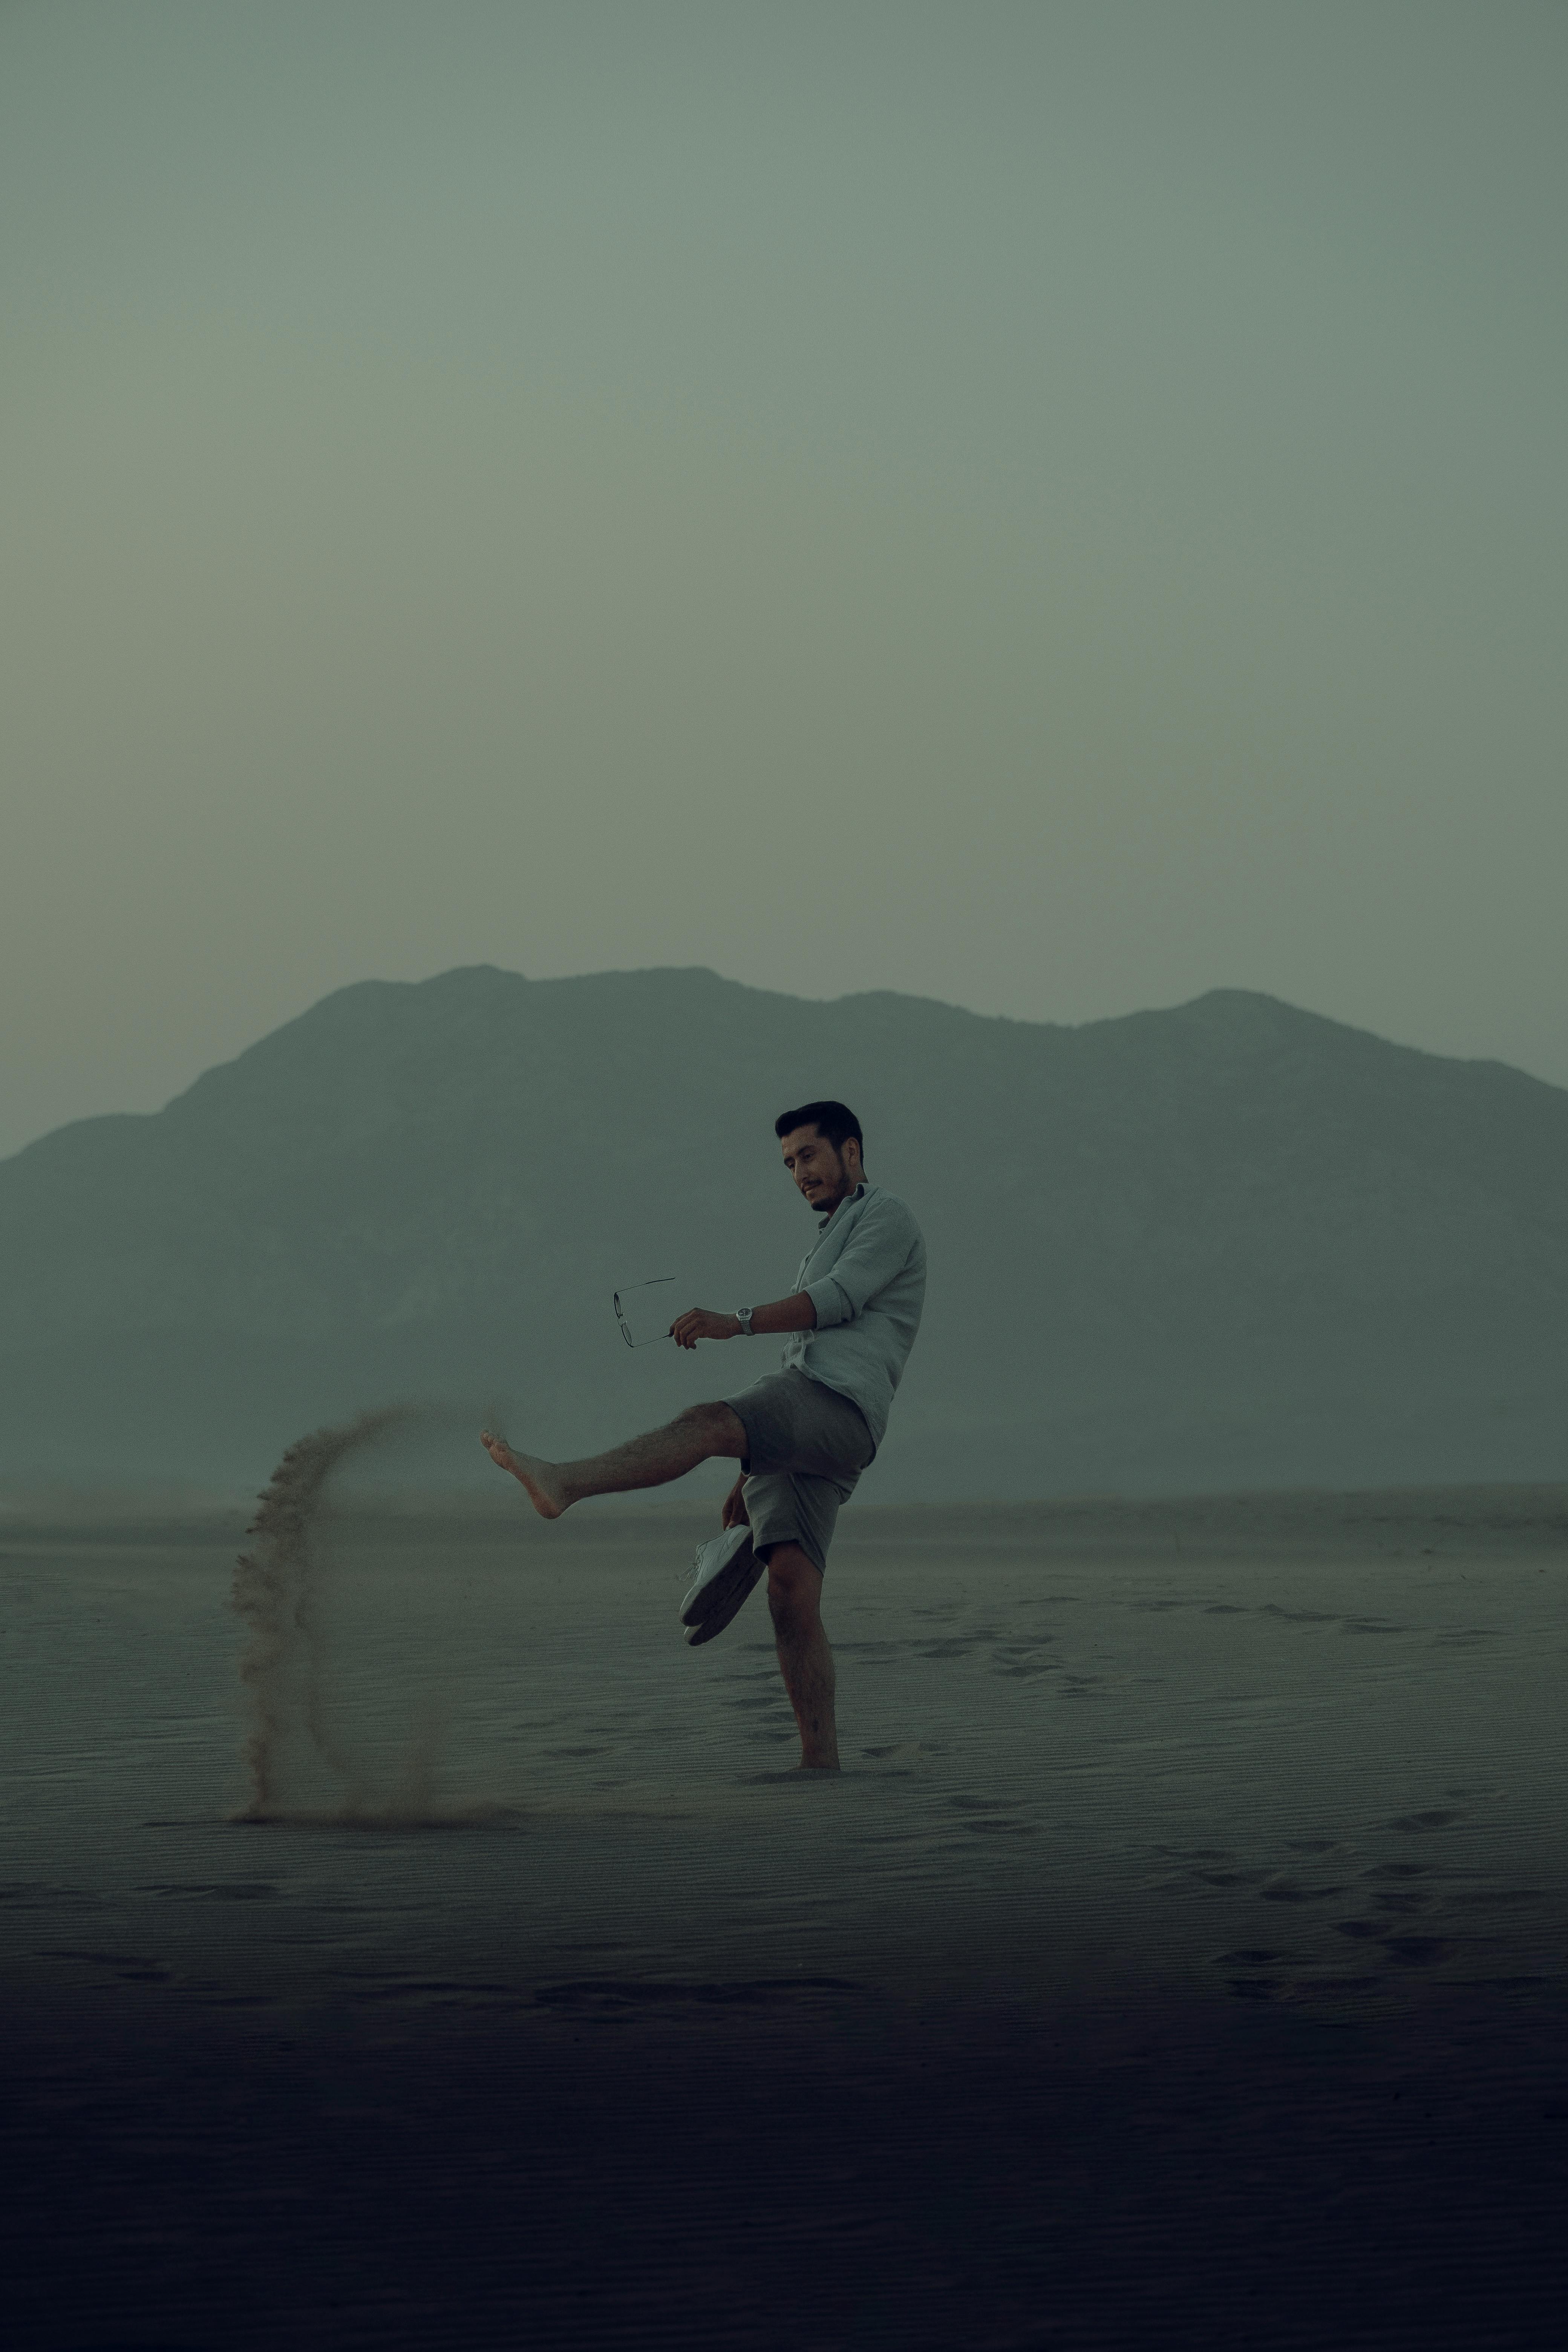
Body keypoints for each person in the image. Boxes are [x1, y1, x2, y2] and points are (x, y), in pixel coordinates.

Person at [482, 1100, 926, 1770]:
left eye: (809, 1155)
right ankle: (821, 1763)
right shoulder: (831, 1232)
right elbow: (810, 1334)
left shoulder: (886, 1216)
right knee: (791, 1592)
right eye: (788, 1163)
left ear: (852, 1151)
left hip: (835, 1404)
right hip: (816, 1419)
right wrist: (748, 1474)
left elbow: (836, 1302)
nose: (799, 1172)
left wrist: (734, 1321)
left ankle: (564, 1482)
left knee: (708, 1421)